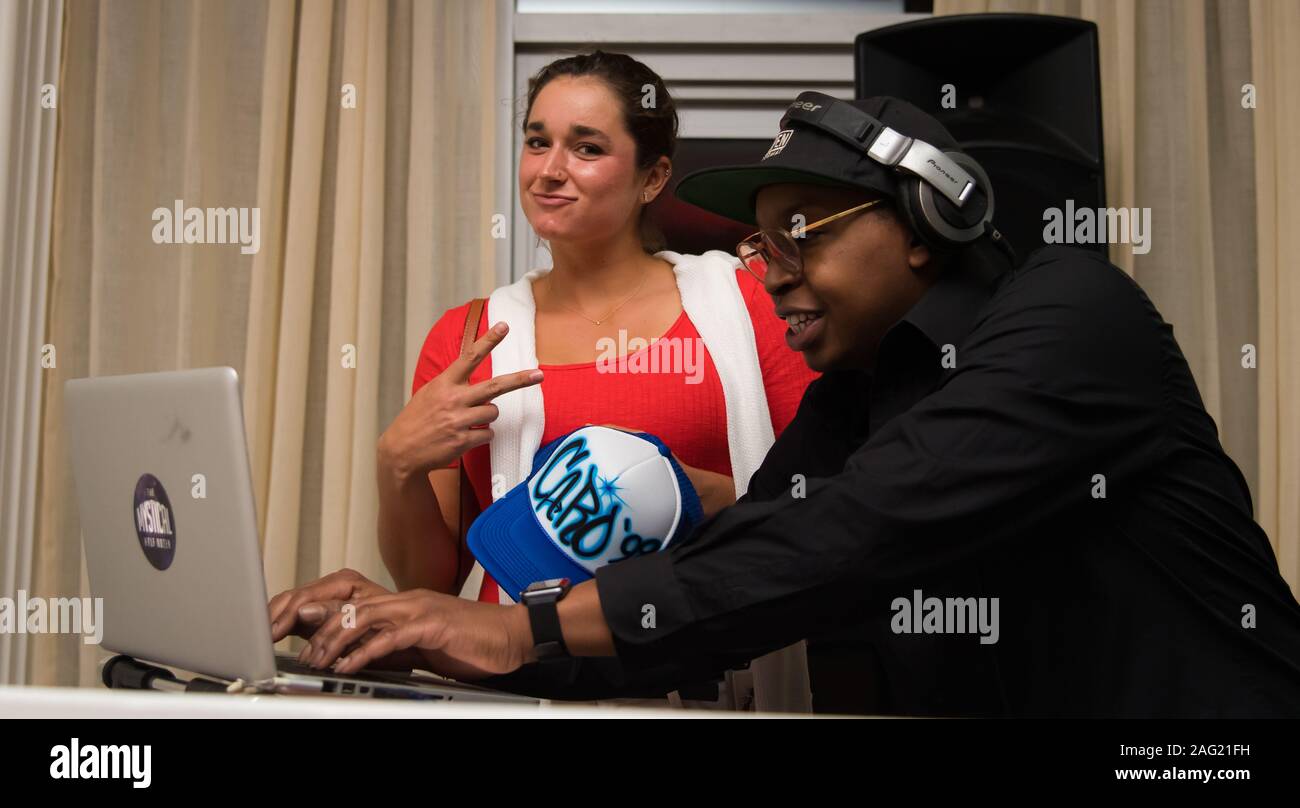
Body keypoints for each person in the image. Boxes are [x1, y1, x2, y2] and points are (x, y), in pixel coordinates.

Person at [269, 94, 1300, 716]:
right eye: (761, 246)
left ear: (927, 220)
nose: (768, 274)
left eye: (799, 232)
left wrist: (516, 630)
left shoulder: (1071, 317)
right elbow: (734, 573)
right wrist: (445, 656)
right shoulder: (861, 384)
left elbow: (849, 536)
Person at [367, 50, 815, 709]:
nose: (550, 170)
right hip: (524, 688)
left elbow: (829, 506)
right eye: (536, 141)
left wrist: (698, 496)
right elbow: (429, 582)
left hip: (701, 682)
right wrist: (396, 465)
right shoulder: (467, 336)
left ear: (653, 176)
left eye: (587, 148)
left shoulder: (744, 303)